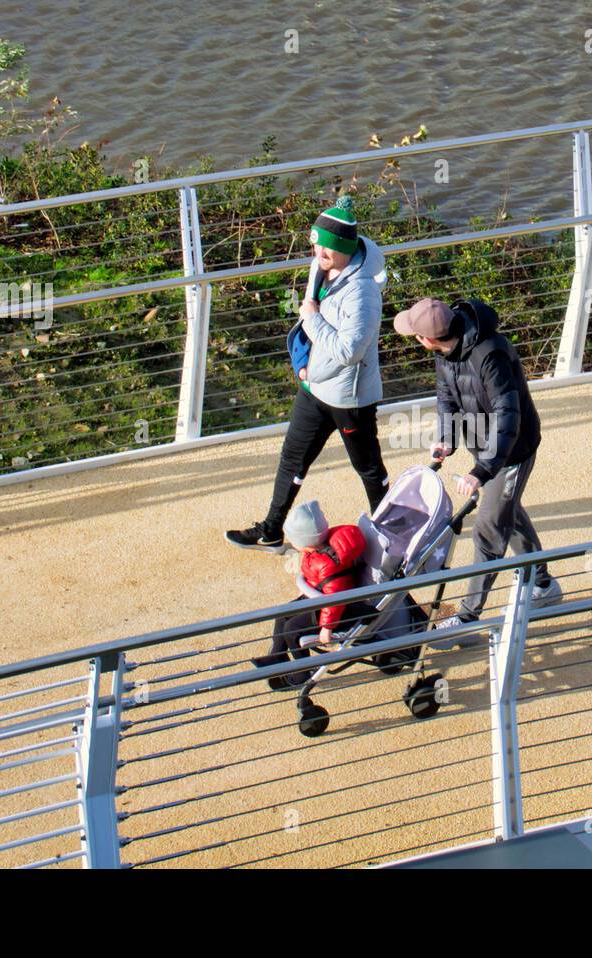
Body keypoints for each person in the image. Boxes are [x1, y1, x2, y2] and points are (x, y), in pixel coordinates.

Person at [393, 296, 562, 645]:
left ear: (428, 338)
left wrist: (482, 471)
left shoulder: (491, 355)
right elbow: (447, 398)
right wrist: (446, 439)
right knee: (507, 513)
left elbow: (508, 417)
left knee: (487, 530)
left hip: (510, 451)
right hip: (484, 447)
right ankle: (544, 584)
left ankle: (467, 619)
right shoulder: (446, 353)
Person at [227, 195, 391, 552]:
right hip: (314, 387)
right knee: (292, 460)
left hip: (350, 399)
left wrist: (312, 318)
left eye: (327, 249)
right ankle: (271, 530)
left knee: (368, 469)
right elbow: (311, 319)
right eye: (316, 246)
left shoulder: (362, 294)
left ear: (345, 248)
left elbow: (350, 352)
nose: (319, 255)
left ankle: (391, 535)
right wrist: (303, 361)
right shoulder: (322, 266)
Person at [252, 500, 375, 689]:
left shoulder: (328, 565)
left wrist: (327, 627)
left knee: (293, 629)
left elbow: (336, 599)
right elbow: (315, 577)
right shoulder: (320, 551)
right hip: (319, 597)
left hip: (337, 611)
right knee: (282, 614)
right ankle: (277, 657)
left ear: (303, 542)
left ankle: (303, 672)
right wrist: (306, 586)